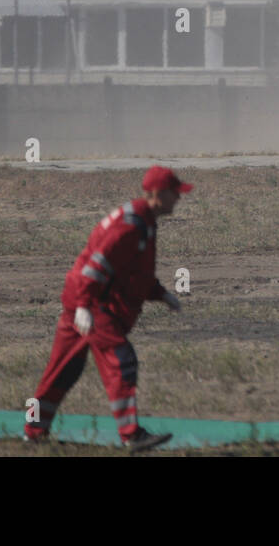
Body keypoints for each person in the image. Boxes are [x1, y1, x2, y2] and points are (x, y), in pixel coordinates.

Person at [24, 165, 188, 452]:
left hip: (84, 300)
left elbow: (133, 272)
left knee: (63, 371)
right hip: (95, 304)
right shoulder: (132, 225)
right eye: (175, 193)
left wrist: (160, 294)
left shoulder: (144, 221)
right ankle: (131, 435)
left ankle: (33, 431)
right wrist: (84, 306)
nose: (179, 199)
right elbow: (96, 265)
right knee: (121, 361)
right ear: (157, 194)